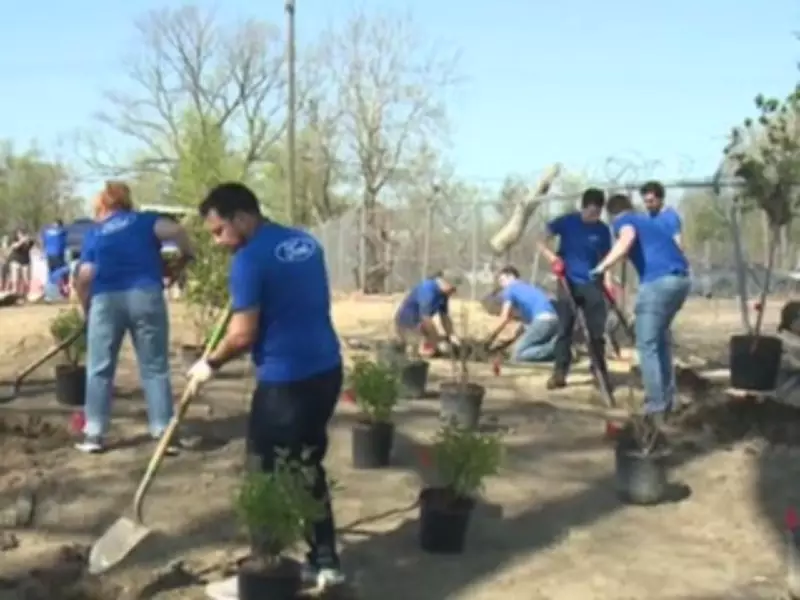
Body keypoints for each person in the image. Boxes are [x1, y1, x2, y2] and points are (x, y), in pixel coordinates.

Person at [185, 182, 345, 590]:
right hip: (326, 369)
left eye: (220, 231)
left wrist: (209, 364)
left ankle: (264, 570)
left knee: (264, 472)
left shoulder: (249, 260)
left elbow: (242, 335)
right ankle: (325, 562)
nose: (219, 241)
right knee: (307, 463)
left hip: (285, 382)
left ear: (242, 217)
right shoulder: (305, 243)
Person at [73, 181, 195, 454]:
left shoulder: (96, 233)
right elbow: (176, 230)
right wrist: (186, 255)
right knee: (154, 366)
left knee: (99, 368)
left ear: (104, 205)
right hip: (145, 294)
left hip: (106, 300)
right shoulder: (145, 221)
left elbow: (84, 277)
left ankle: (94, 433)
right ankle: (163, 431)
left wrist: (87, 309)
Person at [591, 193, 690, 440]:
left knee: (647, 344)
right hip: (681, 281)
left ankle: (655, 407)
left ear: (613, 213)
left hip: (658, 283)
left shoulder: (624, 221)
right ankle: (667, 400)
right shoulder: (650, 221)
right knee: (660, 341)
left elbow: (627, 239)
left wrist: (602, 267)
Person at [538, 188, 613, 390]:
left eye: (597, 213)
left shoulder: (602, 230)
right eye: (591, 212)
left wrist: (608, 282)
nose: (594, 216)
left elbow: (607, 258)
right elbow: (542, 238)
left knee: (596, 331)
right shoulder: (567, 222)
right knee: (565, 329)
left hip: (591, 283)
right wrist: (552, 257)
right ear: (584, 207)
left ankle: (598, 371)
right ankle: (559, 373)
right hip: (567, 282)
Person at [484, 266, 559, 362]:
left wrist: (489, 336)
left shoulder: (510, 289)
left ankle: (559, 348)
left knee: (518, 355)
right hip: (554, 320)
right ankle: (558, 348)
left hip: (543, 320)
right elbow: (515, 318)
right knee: (531, 347)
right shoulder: (528, 287)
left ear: (511, 277)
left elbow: (504, 317)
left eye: (502, 280)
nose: (502, 285)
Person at [394, 270, 462, 357]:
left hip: (421, 325)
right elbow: (426, 319)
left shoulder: (443, 294)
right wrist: (435, 340)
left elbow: (444, 317)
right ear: (444, 282)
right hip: (407, 325)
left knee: (436, 348)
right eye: (453, 288)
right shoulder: (428, 290)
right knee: (421, 352)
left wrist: (452, 335)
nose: (453, 292)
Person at [640, 180, 683, 248]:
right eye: (645, 201)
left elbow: (678, 245)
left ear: (660, 199)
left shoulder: (671, 218)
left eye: (651, 201)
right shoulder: (645, 218)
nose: (648, 205)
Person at [7, 229, 34, 295]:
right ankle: (14, 293)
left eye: (22, 234)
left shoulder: (29, 241)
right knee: (15, 279)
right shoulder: (14, 240)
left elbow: (30, 244)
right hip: (15, 260)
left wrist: (27, 240)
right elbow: (14, 246)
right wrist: (21, 241)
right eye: (19, 234)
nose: (21, 235)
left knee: (26, 280)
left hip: (25, 261)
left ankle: (25, 294)